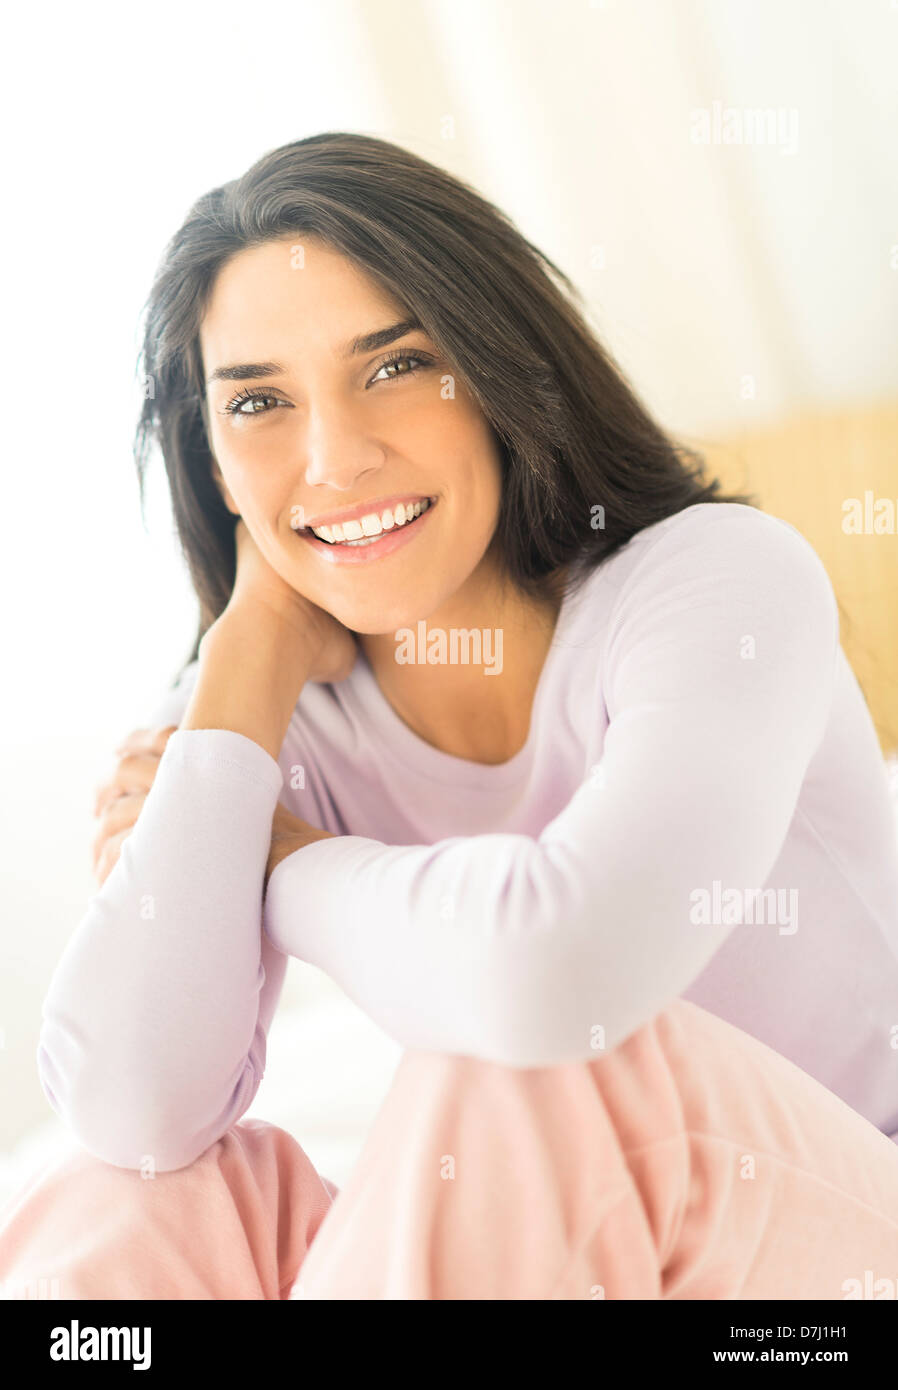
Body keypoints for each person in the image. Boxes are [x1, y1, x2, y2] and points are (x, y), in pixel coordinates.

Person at [3, 132, 898, 1301]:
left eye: (393, 366)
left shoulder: (722, 586)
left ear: (496, 370)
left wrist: (289, 866)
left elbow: (559, 977)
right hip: (583, 1255)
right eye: (260, 402)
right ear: (217, 465)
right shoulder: (265, 701)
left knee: (535, 1071)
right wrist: (249, 656)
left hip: (825, 1249)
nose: (333, 458)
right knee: (122, 1196)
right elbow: (130, 1106)